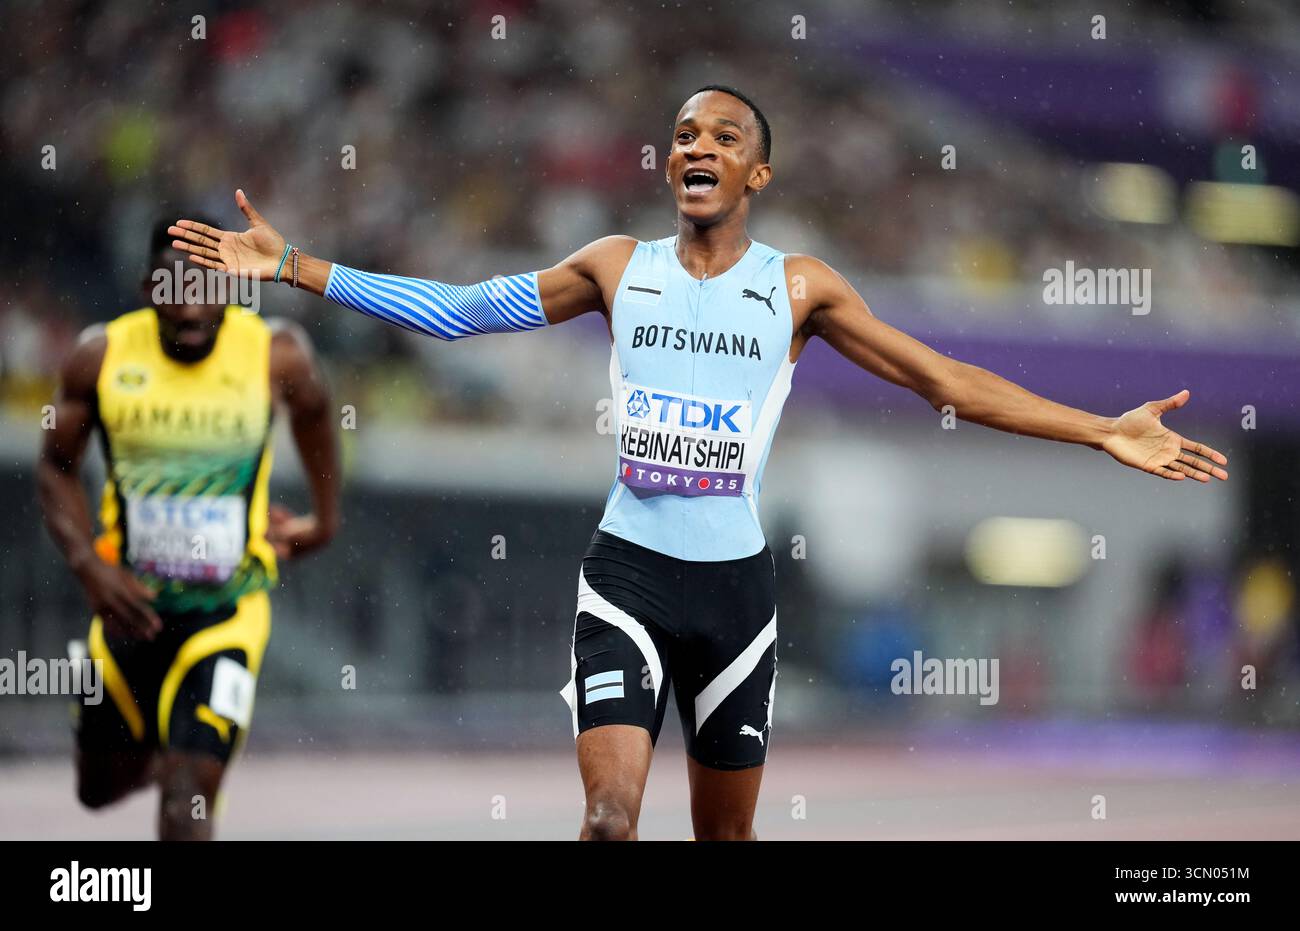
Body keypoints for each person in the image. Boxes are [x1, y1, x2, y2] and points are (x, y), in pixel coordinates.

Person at [167, 85, 1228, 840]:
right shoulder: (614, 267)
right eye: (683, 135)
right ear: (669, 166)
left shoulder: (801, 287)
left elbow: (944, 382)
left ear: (755, 171)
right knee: (609, 817)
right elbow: (455, 313)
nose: (698, 145)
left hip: (735, 595)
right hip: (626, 575)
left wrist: (1099, 428)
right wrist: (296, 265)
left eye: (723, 134)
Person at [39, 219, 341, 840]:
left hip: (227, 613)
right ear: (147, 287)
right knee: (96, 789)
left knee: (186, 802)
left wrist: (324, 520)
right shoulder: (101, 356)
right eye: (172, 291)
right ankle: (173, 758)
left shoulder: (274, 352)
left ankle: (190, 768)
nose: (189, 307)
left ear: (232, 281)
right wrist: (89, 567)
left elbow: (315, 413)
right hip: (131, 611)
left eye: (206, 287)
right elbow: (55, 467)